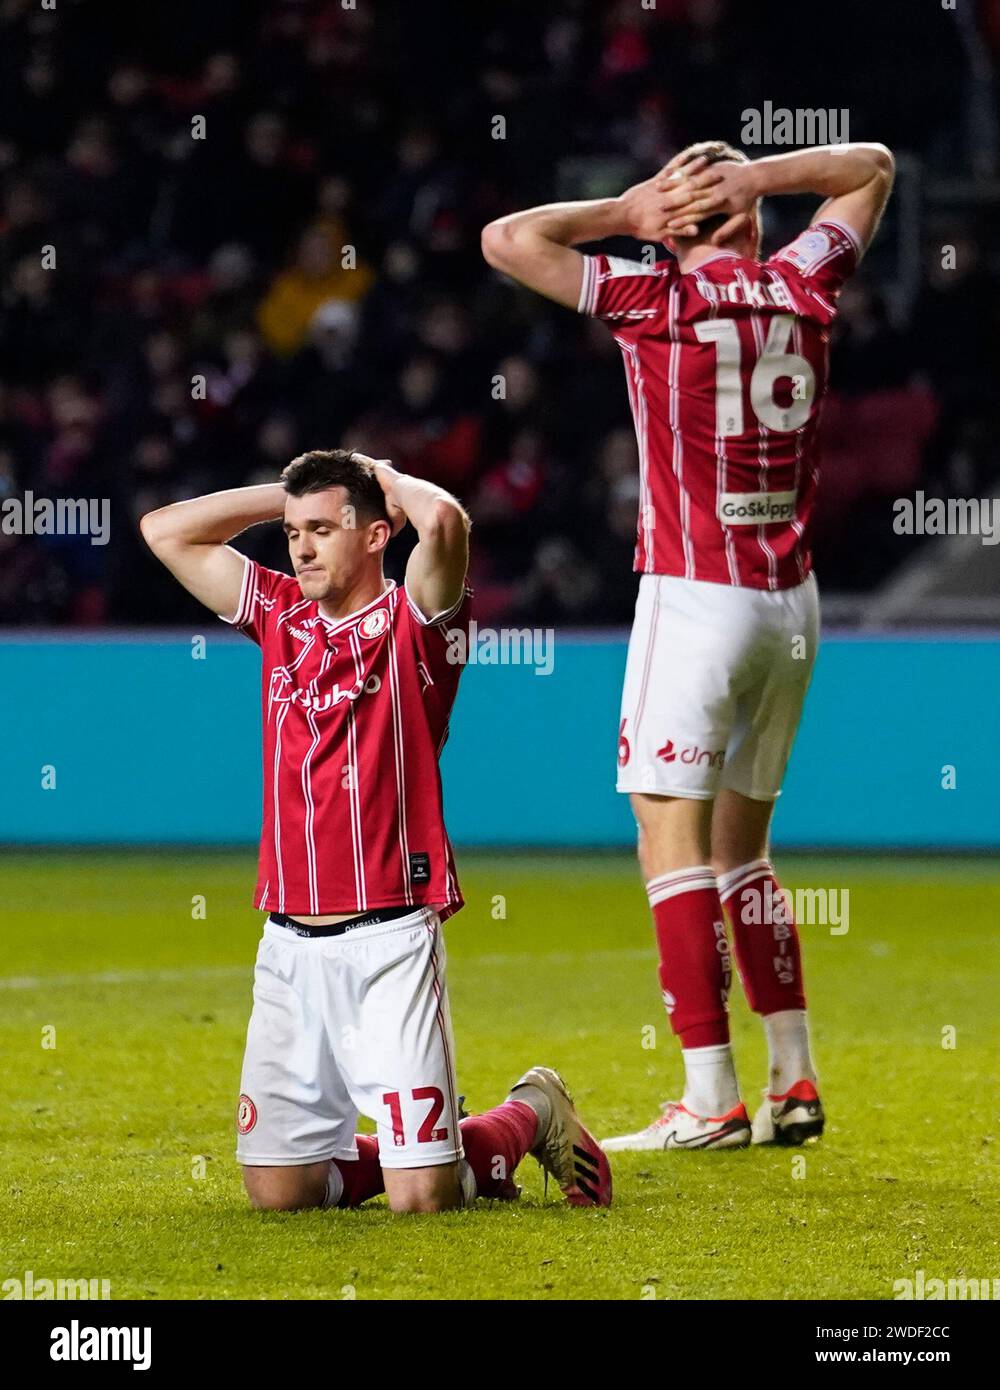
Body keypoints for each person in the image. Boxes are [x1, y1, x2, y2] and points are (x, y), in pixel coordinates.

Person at [481, 140, 894, 1149]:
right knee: (744, 850)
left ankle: (708, 1093)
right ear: (750, 220)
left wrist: (624, 209)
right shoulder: (804, 281)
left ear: (671, 230)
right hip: (791, 604)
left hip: (695, 596)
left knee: (669, 840)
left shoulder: (652, 301)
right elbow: (872, 167)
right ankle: (792, 1079)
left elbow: (506, 239)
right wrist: (757, 179)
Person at [140, 448, 611, 1207]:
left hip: (387, 938)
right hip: (288, 946)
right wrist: (292, 495)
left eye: (323, 529)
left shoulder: (414, 624)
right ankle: (407, 1147)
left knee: (422, 1201)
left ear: (376, 536)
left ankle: (531, 1113)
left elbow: (448, 522)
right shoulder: (279, 613)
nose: (300, 546)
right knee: (279, 1196)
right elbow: (166, 532)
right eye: (294, 532)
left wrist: (380, 479)